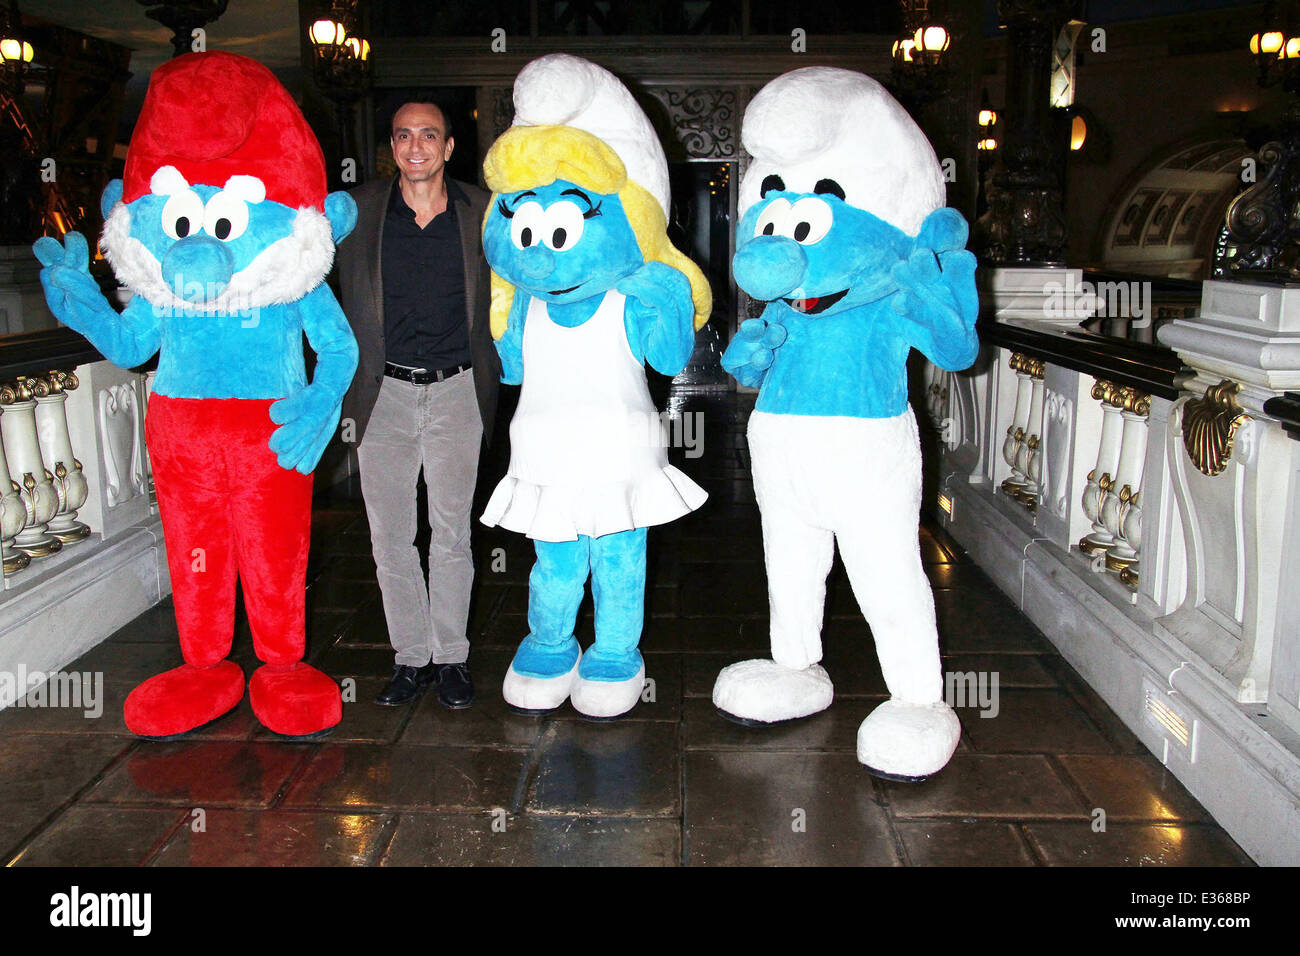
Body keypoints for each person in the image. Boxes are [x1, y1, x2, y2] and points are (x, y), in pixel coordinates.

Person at [335, 98, 500, 709]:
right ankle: (411, 657)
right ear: (392, 146)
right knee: (390, 537)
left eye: (428, 135)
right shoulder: (355, 213)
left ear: (449, 147)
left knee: (453, 533)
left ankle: (452, 657)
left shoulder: (482, 213)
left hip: (460, 390)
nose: (415, 147)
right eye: (403, 135)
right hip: (384, 395)